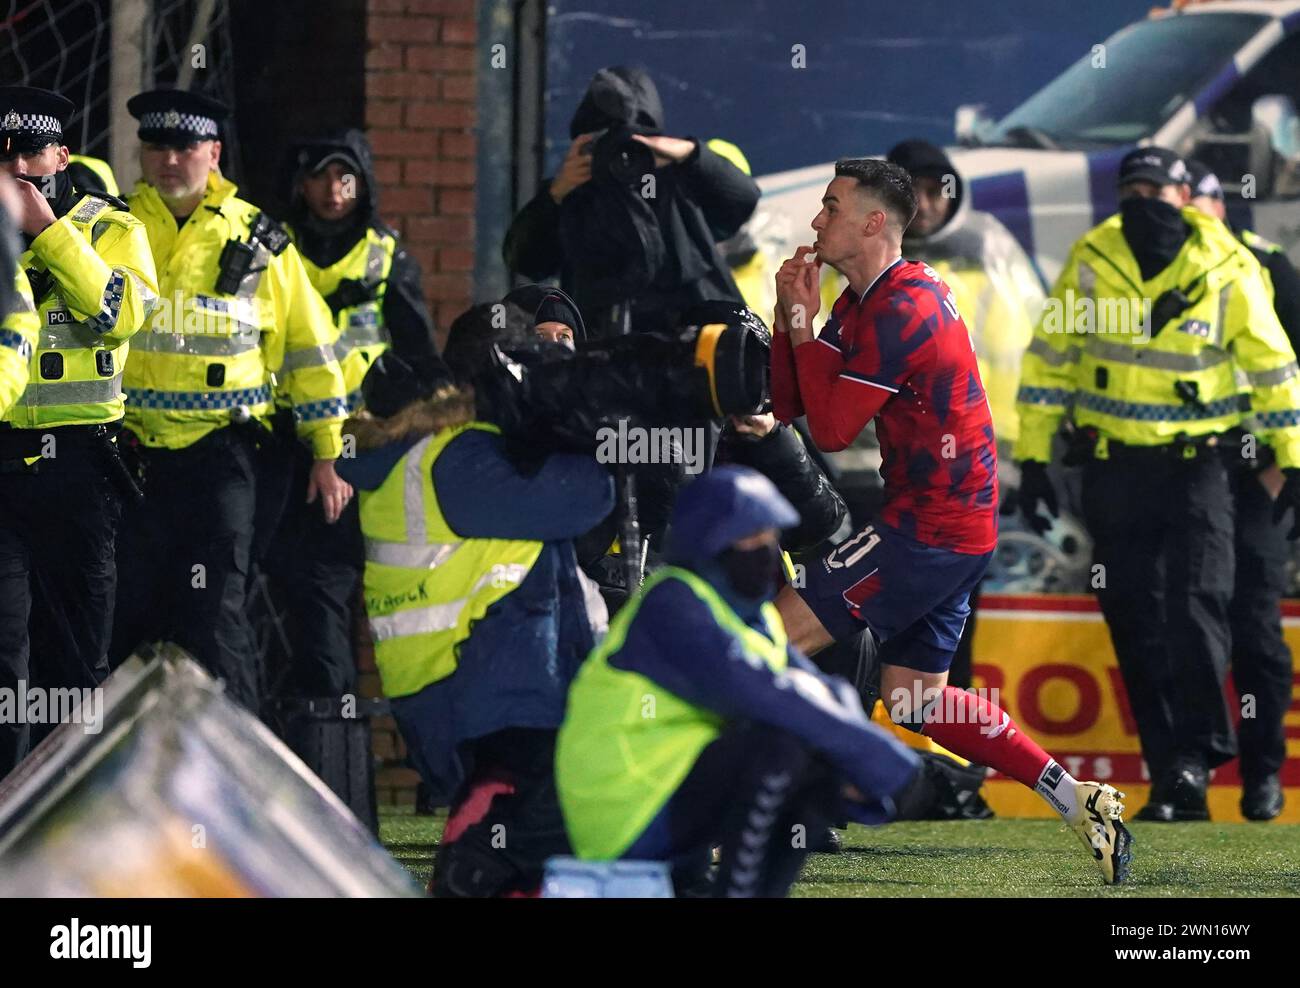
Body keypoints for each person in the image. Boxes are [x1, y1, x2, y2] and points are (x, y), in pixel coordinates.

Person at [768, 157, 1131, 883]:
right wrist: (790, 318)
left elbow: (833, 431)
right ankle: (1077, 797)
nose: (816, 221)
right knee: (915, 699)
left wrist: (803, 322)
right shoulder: (871, 297)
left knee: (767, 640)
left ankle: (761, 811)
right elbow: (792, 404)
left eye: (831, 207)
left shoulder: (902, 307)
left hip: (928, 527)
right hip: (951, 525)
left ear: (874, 222)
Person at [1015, 147, 1300, 823]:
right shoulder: (1092, 258)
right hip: (1115, 467)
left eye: (1157, 187)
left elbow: (1272, 365)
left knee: (1199, 604)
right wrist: (1033, 456)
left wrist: (1290, 456)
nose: (1144, 199)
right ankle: (1175, 775)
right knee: (1135, 619)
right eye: (1131, 187)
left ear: (1185, 193)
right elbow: (1051, 360)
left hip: (1203, 464)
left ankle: (1203, 754)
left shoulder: (1231, 265)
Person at [339, 305, 615, 897]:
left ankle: (482, 864)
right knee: (525, 828)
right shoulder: (453, 457)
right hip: (479, 692)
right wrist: (581, 427)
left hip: (465, 687)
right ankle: (467, 864)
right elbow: (584, 499)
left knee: (537, 862)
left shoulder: (429, 446)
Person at [555, 466, 924, 897]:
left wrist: (879, 768)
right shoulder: (673, 603)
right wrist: (891, 765)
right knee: (782, 746)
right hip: (616, 808)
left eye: (769, 537)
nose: (765, 549)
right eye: (751, 538)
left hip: (663, 795)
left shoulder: (754, 613)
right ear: (707, 541)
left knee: (814, 752)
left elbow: (821, 695)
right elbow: (766, 695)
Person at [109, 89, 352, 712]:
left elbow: (311, 350)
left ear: (213, 152)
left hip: (222, 457)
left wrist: (327, 453)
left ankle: (232, 779)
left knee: (216, 616)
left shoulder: (261, 242)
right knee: (119, 620)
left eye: (185, 146)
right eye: (156, 146)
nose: (169, 160)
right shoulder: (111, 228)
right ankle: (113, 788)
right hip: (126, 455)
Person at [0, 87, 158, 775]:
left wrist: (45, 231)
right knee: (4, 649)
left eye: (32, 153)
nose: (19, 170)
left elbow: (120, 316)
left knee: (75, 654)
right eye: (5, 157)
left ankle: (71, 811)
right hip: (2, 455)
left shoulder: (113, 226)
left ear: (62, 155)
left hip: (81, 464)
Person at [263, 129, 439, 698]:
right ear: (301, 184)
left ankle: (337, 716)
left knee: (344, 581)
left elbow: (420, 358)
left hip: (365, 446)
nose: (334, 191)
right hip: (286, 437)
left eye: (347, 177)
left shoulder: (385, 256)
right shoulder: (274, 247)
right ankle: (312, 712)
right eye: (321, 177)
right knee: (291, 581)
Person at [1186, 159, 1299, 821]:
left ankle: (1262, 773)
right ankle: (1187, 774)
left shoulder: (1269, 265)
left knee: (1255, 628)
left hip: (1256, 479)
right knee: (1182, 627)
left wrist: (1281, 470)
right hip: (1181, 477)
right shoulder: (1143, 267)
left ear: (1219, 206)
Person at [502, 66, 759, 338]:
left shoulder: (676, 178)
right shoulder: (574, 194)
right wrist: (556, 193)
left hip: (691, 340)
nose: (621, 157)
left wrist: (690, 154)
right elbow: (524, 260)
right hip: (605, 348)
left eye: (631, 145)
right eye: (605, 143)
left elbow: (743, 199)